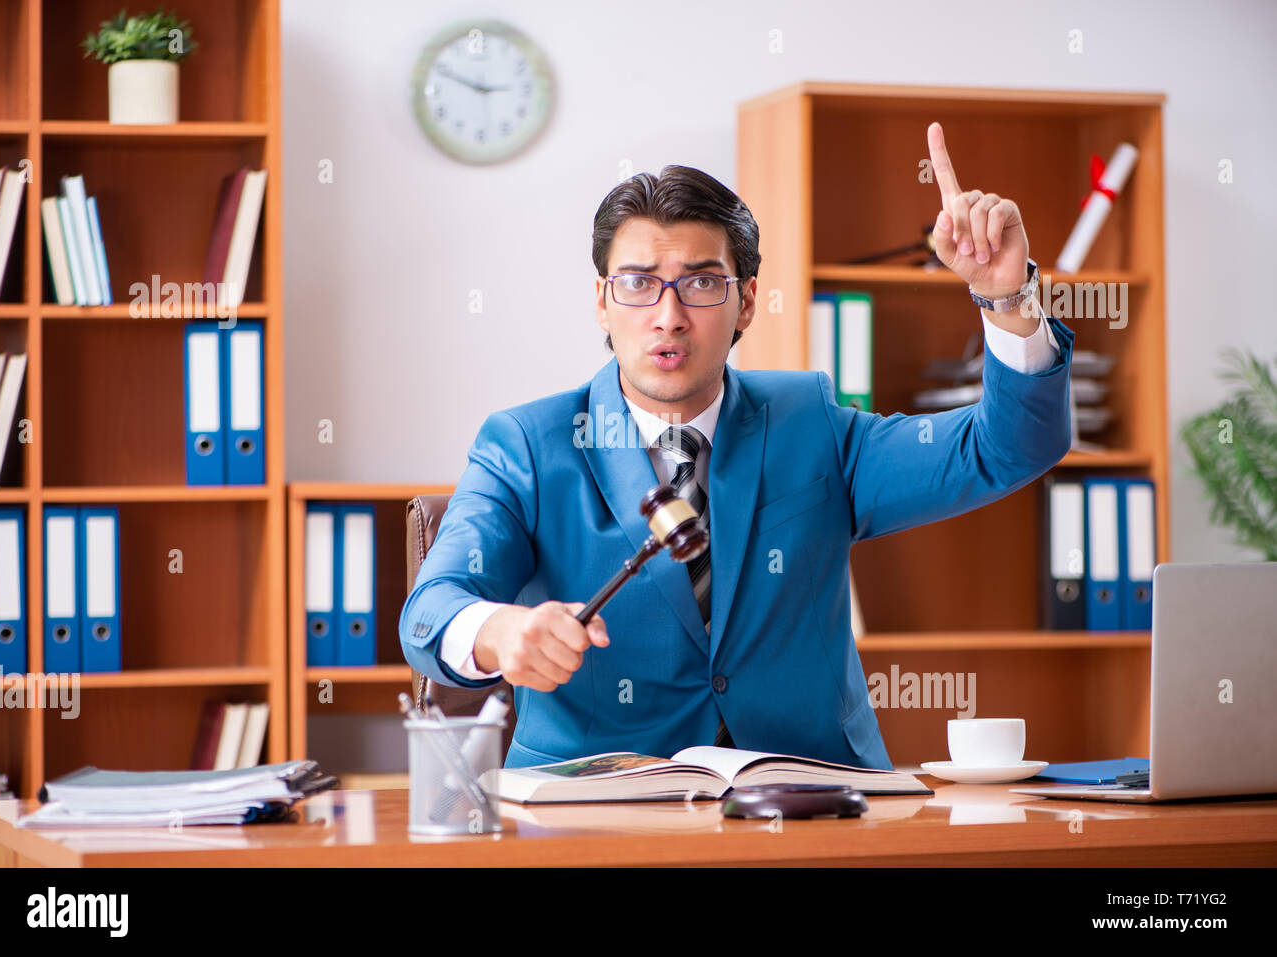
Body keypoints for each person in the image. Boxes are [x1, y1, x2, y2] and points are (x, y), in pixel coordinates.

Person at [401, 122, 1073, 770]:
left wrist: (1006, 297)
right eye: (637, 283)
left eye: (701, 282)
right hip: (599, 807)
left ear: (747, 301)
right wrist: (497, 633)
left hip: (810, 798)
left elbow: (1007, 448)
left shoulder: (809, 422)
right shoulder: (528, 445)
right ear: (602, 302)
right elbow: (432, 609)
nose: (668, 316)